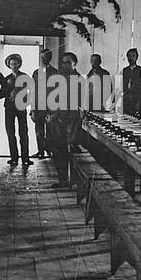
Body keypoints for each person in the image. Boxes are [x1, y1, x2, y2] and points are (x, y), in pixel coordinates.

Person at [47, 51, 84, 186]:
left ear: (75, 63)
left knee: (69, 151)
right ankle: (63, 179)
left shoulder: (78, 79)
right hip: (59, 120)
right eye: (63, 62)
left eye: (68, 62)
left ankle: (71, 181)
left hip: (70, 120)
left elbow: (72, 102)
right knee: (58, 151)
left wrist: (55, 115)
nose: (65, 65)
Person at [0, 54, 33, 167]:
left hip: (21, 107)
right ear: (9, 65)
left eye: (16, 64)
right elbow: (3, 92)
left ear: (19, 64)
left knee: (23, 133)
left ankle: (25, 158)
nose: (14, 66)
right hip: (9, 108)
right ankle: (14, 158)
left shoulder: (25, 77)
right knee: (10, 133)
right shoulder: (6, 79)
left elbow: (31, 91)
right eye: (11, 64)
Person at [30, 48, 58, 159]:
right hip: (38, 106)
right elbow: (32, 92)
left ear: (49, 58)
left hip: (51, 106)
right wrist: (32, 109)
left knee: (51, 130)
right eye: (41, 57)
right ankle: (40, 151)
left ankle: (50, 151)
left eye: (45, 57)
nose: (43, 59)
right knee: (39, 131)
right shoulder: (36, 73)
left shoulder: (55, 72)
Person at [120, 48, 141, 116]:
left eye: (133, 56)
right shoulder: (124, 71)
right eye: (129, 56)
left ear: (137, 57)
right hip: (126, 100)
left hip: (137, 101)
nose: (131, 58)